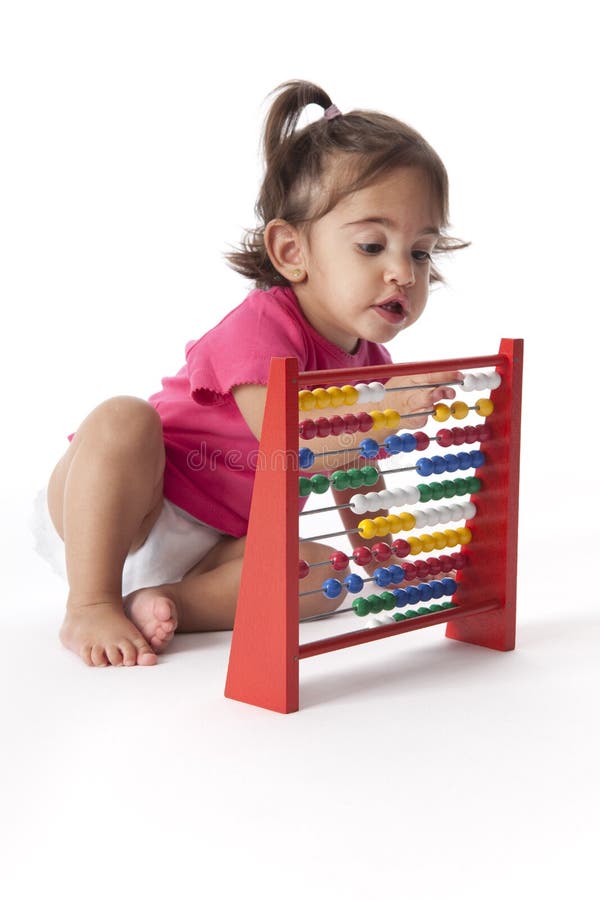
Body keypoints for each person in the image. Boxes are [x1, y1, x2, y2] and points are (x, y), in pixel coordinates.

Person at [36, 79, 469, 668]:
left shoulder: (370, 362)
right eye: (372, 245)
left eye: (420, 251)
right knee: (122, 418)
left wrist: (381, 554)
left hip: (221, 548)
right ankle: (90, 601)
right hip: (129, 507)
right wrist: (386, 417)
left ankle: (167, 602)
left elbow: (353, 473)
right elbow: (290, 442)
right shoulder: (263, 327)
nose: (403, 272)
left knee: (326, 576)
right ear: (292, 252)